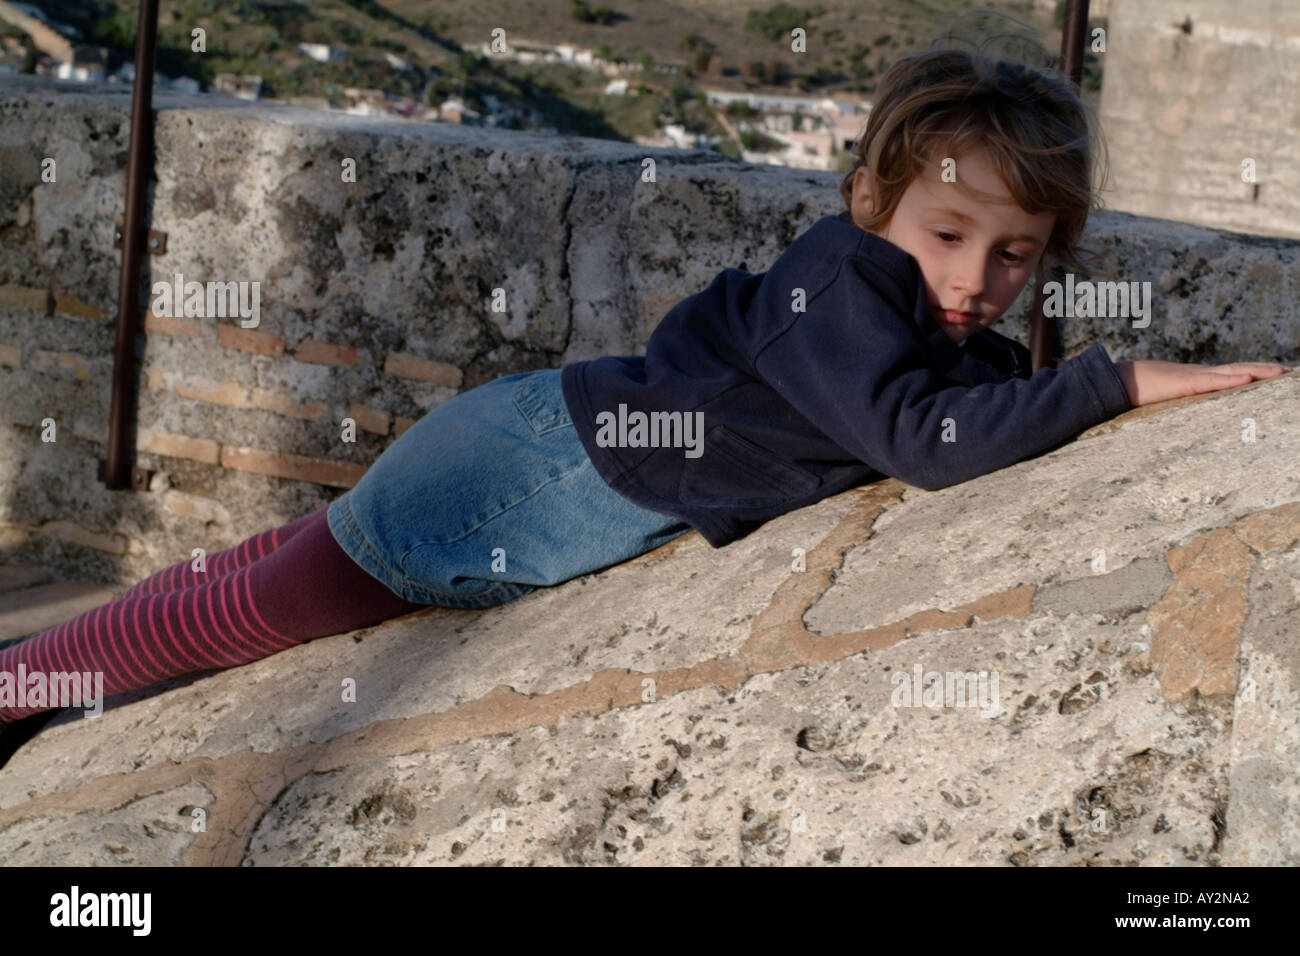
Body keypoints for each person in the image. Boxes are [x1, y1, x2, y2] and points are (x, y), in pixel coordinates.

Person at [1, 43, 1289, 764]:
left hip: (538, 435)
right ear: (874, 201)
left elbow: (954, 389)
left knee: (253, 574)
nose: (976, 279)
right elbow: (923, 441)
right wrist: (1114, 380)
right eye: (950, 233)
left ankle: (24, 672)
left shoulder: (882, 286)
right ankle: (20, 693)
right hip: (512, 480)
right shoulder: (848, 284)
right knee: (251, 611)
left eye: (1016, 255)